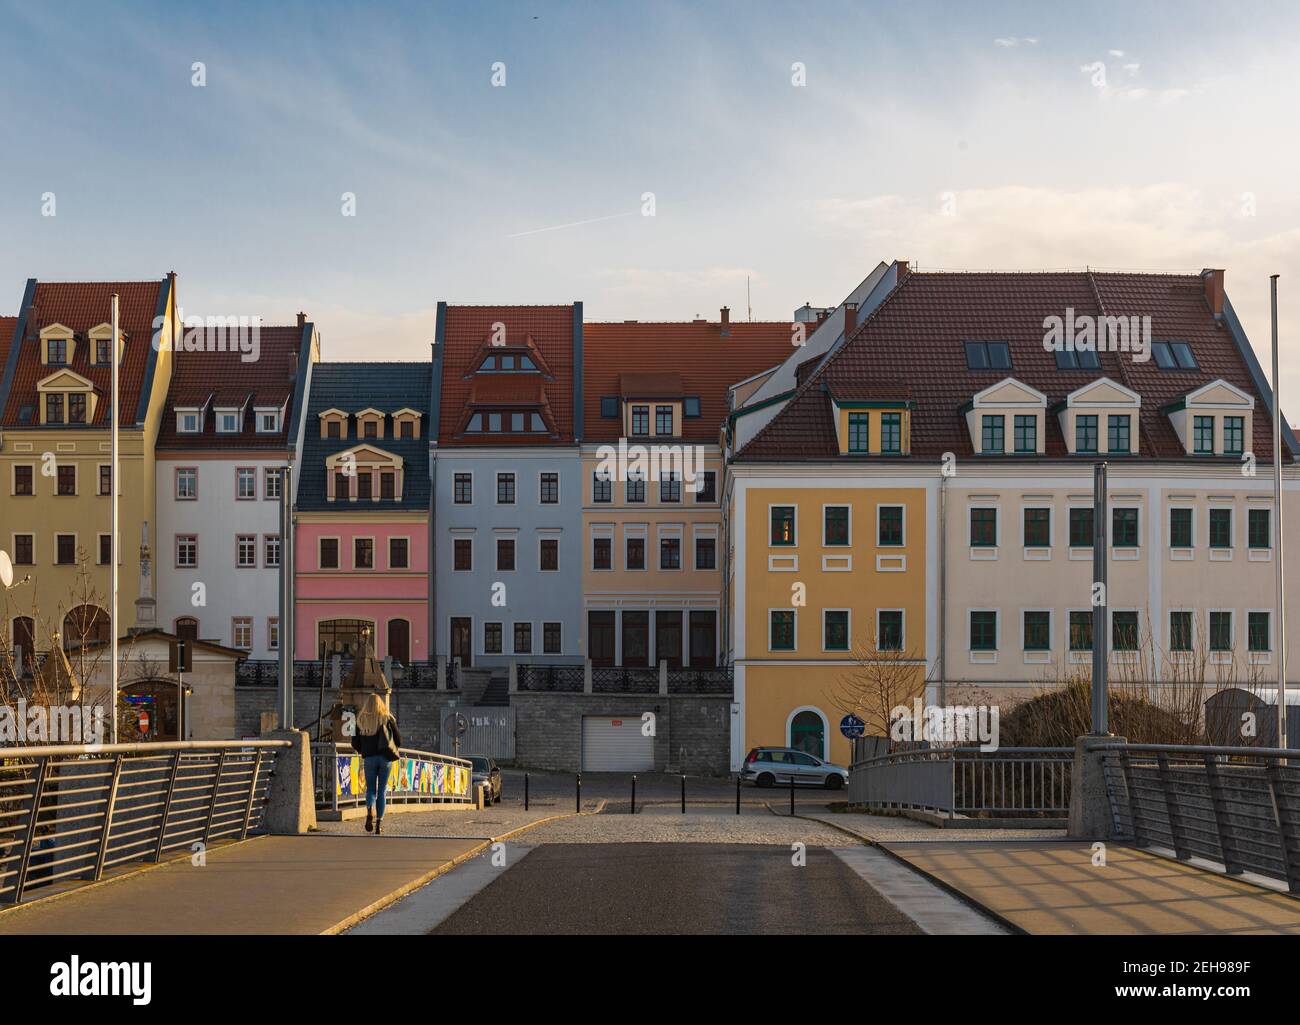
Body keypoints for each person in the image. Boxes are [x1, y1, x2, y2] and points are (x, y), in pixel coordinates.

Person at [350, 692, 401, 834]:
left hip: (369, 759)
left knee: (370, 790)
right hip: (385, 758)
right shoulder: (387, 719)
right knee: (382, 791)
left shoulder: (360, 720)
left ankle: (369, 813)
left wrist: (364, 750)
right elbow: (399, 740)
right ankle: (379, 824)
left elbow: (354, 743)